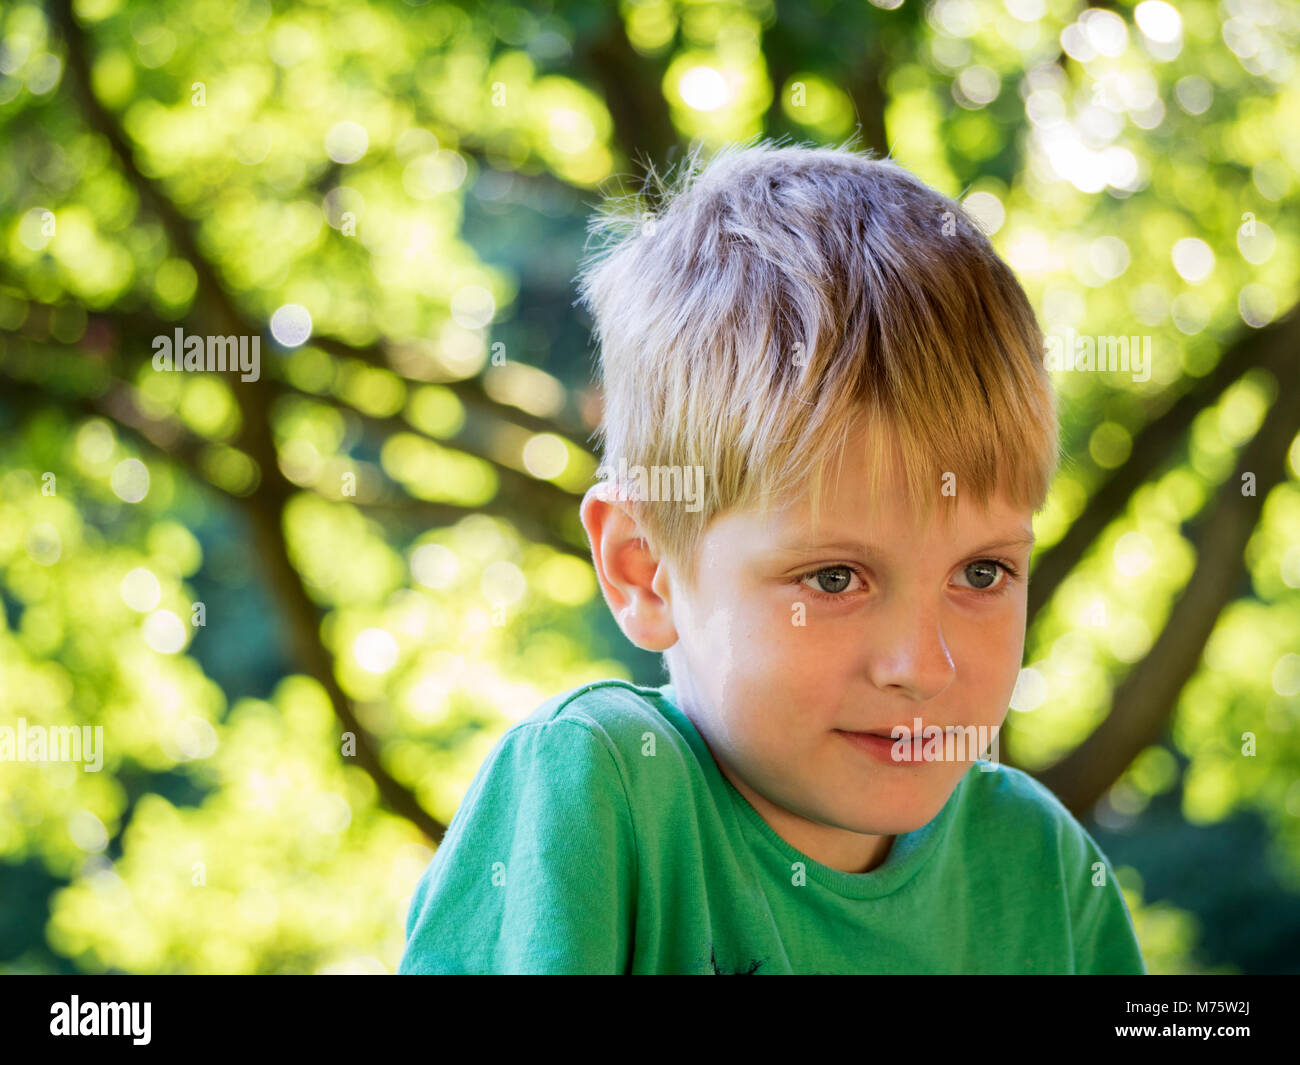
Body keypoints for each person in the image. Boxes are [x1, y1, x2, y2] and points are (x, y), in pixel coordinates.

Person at [399, 138, 1147, 974]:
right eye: (834, 578)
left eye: (981, 573)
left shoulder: (1039, 866)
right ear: (644, 570)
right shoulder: (600, 790)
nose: (922, 666)